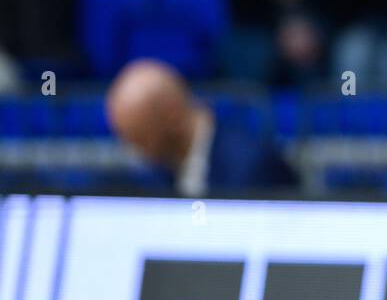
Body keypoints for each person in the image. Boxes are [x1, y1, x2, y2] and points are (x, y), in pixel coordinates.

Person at [105, 58, 297, 196]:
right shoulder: (157, 173)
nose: (135, 151)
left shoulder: (252, 165)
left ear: (171, 115)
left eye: (140, 136)